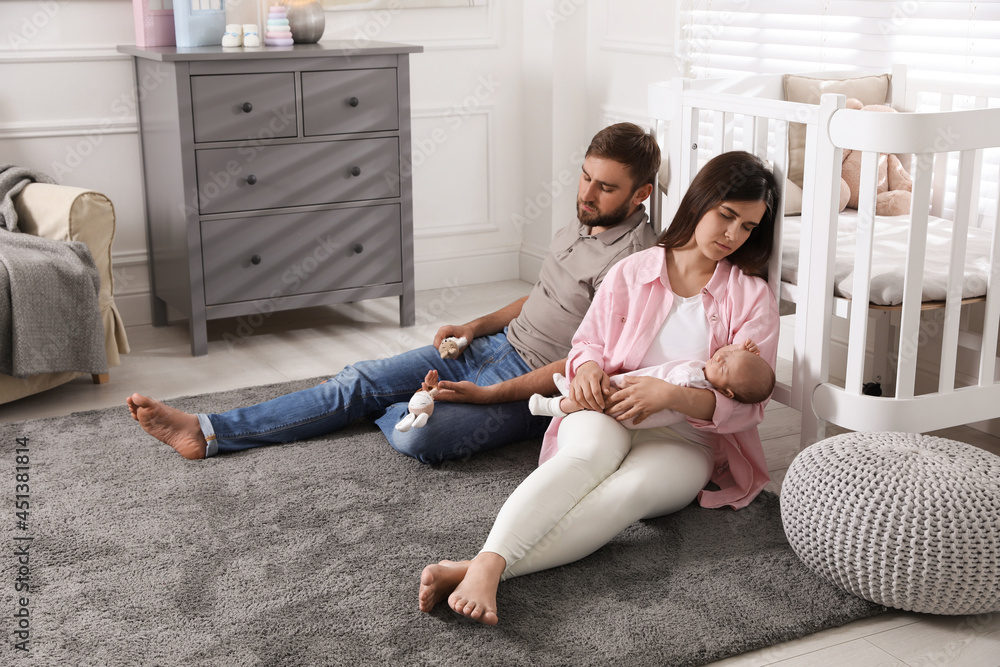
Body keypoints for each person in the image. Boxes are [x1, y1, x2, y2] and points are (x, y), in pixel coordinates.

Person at [126, 123, 661, 463]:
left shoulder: (636, 263)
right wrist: (474, 328)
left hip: (531, 387)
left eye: (604, 187)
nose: (585, 194)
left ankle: (383, 403)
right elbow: (545, 296)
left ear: (639, 195)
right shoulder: (582, 222)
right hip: (488, 349)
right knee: (359, 378)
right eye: (584, 177)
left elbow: (588, 358)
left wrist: (492, 394)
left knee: (418, 437)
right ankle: (207, 430)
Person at [418, 150, 781, 625]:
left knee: (628, 494)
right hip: (607, 405)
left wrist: (674, 396)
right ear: (700, 202)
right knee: (586, 459)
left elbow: (752, 405)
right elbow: (587, 342)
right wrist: (587, 369)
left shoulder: (752, 298)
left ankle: (481, 568)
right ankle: (489, 561)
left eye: (748, 227)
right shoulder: (634, 270)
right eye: (726, 216)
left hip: (687, 436)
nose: (733, 235)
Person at [528, 339, 775, 428]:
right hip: (635, 394)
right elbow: (724, 355)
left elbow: (671, 387)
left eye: (724, 365)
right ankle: (568, 391)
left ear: (725, 391)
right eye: (726, 354)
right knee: (597, 395)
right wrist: (739, 349)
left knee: (600, 400)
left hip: (634, 404)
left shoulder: (695, 381)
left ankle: (555, 406)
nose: (720, 356)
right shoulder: (711, 373)